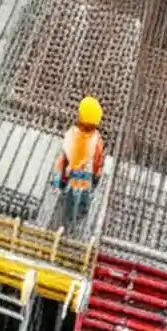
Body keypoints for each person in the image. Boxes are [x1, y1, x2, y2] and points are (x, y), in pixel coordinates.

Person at [50, 96, 106, 231]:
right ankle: (75, 228)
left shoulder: (71, 134)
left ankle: (61, 227)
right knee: (81, 208)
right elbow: (98, 163)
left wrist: (58, 182)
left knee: (64, 207)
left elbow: (63, 160)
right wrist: (97, 178)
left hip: (70, 179)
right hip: (86, 181)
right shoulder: (97, 139)